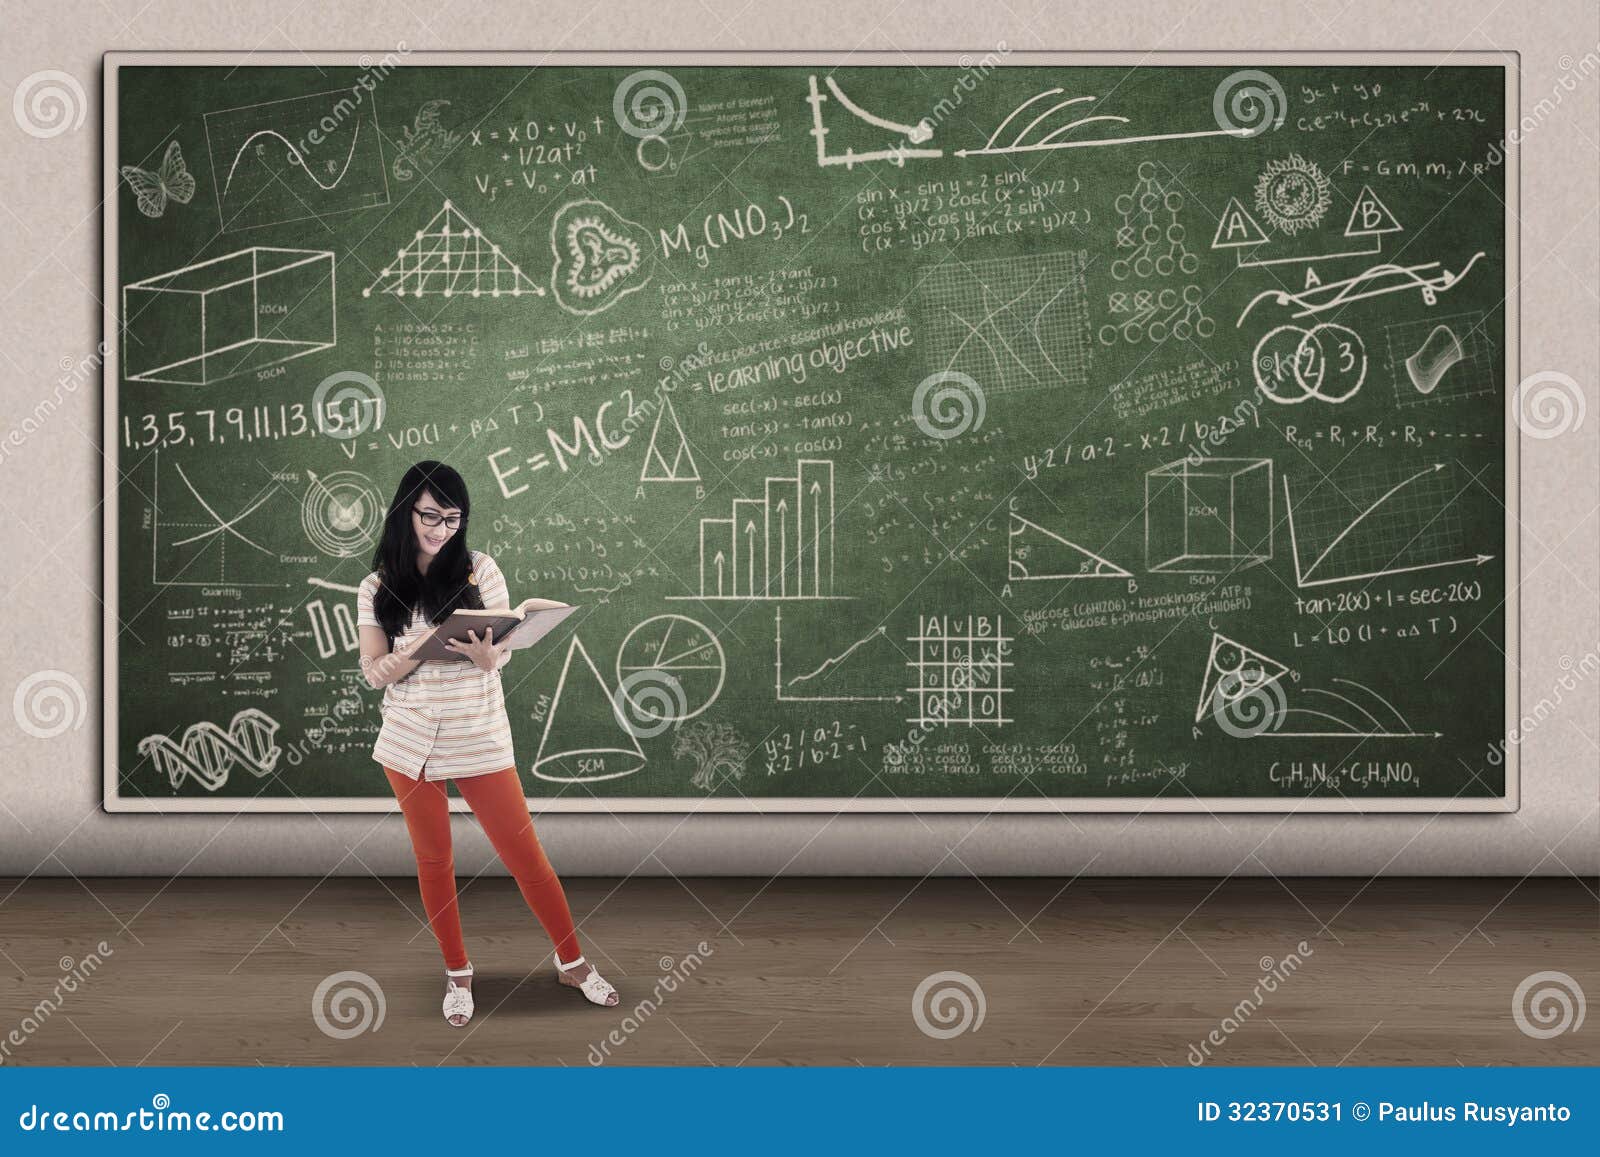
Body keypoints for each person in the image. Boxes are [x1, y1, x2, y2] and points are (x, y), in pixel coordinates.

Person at [355, 460, 619, 1026]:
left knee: (526, 857)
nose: (441, 528)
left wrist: (490, 656)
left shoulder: (479, 569)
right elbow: (373, 672)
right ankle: (457, 974)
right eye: (430, 515)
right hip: (411, 741)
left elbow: (500, 647)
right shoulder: (377, 586)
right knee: (435, 862)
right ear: (406, 512)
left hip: (479, 733)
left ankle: (571, 961)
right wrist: (420, 648)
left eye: (453, 518)